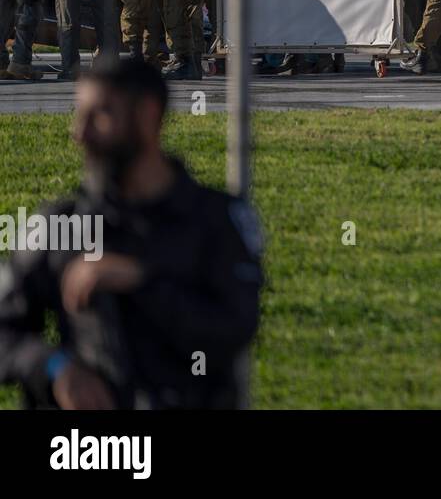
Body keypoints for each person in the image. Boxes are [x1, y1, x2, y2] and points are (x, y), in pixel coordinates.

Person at [0, 58, 263, 409]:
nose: (80, 132)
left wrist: (141, 281)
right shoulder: (61, 224)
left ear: (147, 116)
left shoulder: (214, 220)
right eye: (80, 115)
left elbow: (233, 327)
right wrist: (55, 367)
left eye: (100, 115)